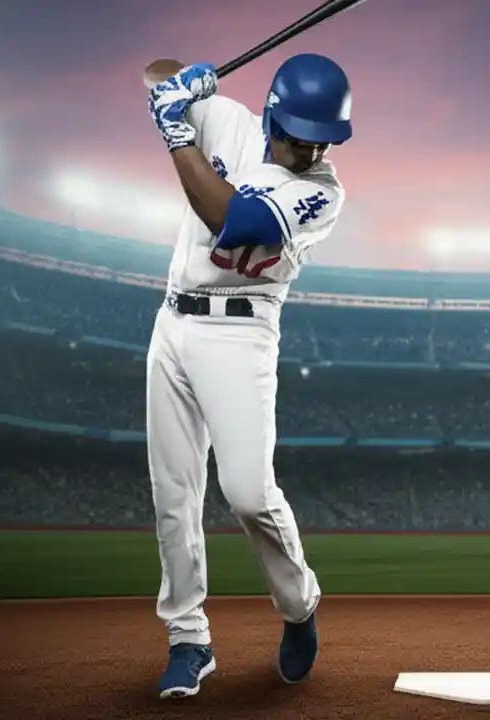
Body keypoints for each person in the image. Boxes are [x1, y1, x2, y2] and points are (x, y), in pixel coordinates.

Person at [142, 52, 351, 698]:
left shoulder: (323, 191)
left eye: (323, 137)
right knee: (174, 496)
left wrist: (176, 132)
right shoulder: (230, 121)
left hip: (240, 332)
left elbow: (234, 222)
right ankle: (188, 640)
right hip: (173, 320)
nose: (311, 147)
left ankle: (299, 606)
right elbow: (156, 73)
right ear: (272, 116)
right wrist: (181, 83)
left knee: (248, 493)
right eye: (300, 135)